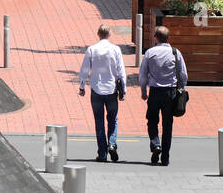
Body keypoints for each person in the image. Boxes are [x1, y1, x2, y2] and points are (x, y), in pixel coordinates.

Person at [139, 24, 188, 167]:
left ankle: (155, 144)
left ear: (155, 37)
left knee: (152, 120)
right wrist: (181, 89)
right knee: (168, 125)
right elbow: (183, 74)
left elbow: (143, 75)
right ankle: (165, 157)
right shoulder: (175, 52)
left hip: (154, 91)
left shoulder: (150, 53)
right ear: (168, 38)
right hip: (170, 93)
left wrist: (143, 91)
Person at [78, 23, 127, 162]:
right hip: (111, 89)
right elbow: (121, 70)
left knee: (99, 120)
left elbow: (84, 70)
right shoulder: (116, 49)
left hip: (96, 89)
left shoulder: (92, 50)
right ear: (109, 34)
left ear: (98, 34)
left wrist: (82, 86)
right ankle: (112, 143)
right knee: (112, 119)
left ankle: (102, 153)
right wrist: (123, 89)